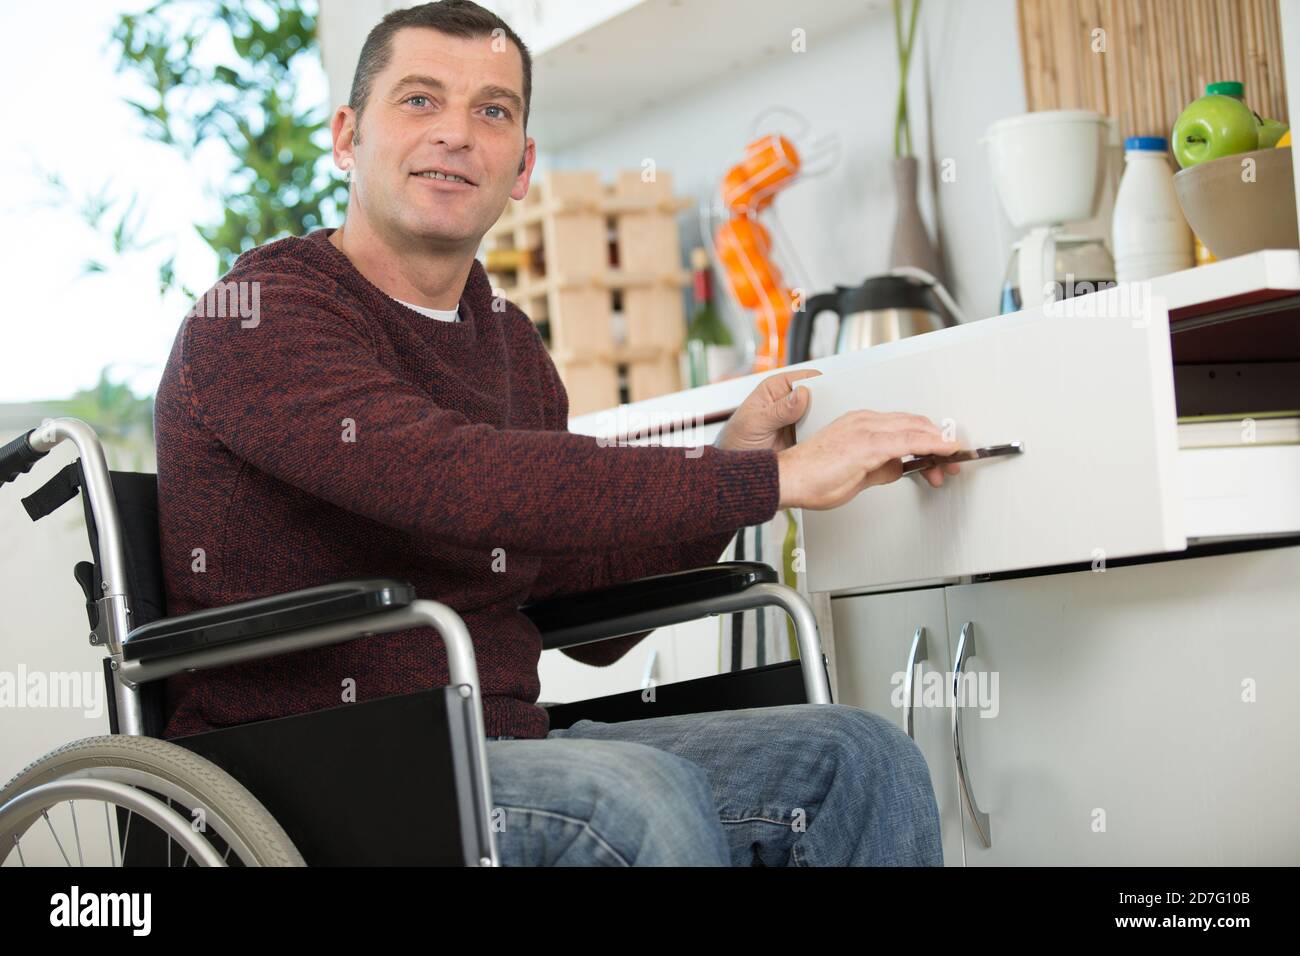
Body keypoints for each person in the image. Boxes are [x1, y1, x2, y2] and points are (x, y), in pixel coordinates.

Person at [153, 0, 961, 866]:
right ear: (348, 137)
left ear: (523, 166)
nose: (457, 134)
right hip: (298, 766)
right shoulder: (263, 315)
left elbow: (587, 598)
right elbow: (455, 476)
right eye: (420, 101)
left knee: (858, 760)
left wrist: (736, 461)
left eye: (492, 111)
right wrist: (774, 484)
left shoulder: (507, 342)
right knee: (634, 801)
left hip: (496, 749)